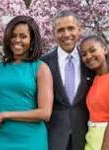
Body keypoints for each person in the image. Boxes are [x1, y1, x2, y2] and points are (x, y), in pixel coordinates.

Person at [0, 15, 53, 150]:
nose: (17, 40)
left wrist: (5, 114)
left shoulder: (41, 68)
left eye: (23, 36)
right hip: (0, 138)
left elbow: (45, 113)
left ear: (32, 40)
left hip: (31, 139)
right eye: (13, 35)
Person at [41, 10, 94, 150]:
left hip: (85, 136)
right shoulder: (43, 63)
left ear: (79, 30)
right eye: (60, 30)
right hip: (53, 137)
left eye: (71, 28)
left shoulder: (90, 62)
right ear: (53, 34)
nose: (66, 34)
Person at [80, 35, 109, 150]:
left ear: (105, 49)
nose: (88, 56)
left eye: (92, 50)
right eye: (84, 54)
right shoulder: (94, 80)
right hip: (91, 139)